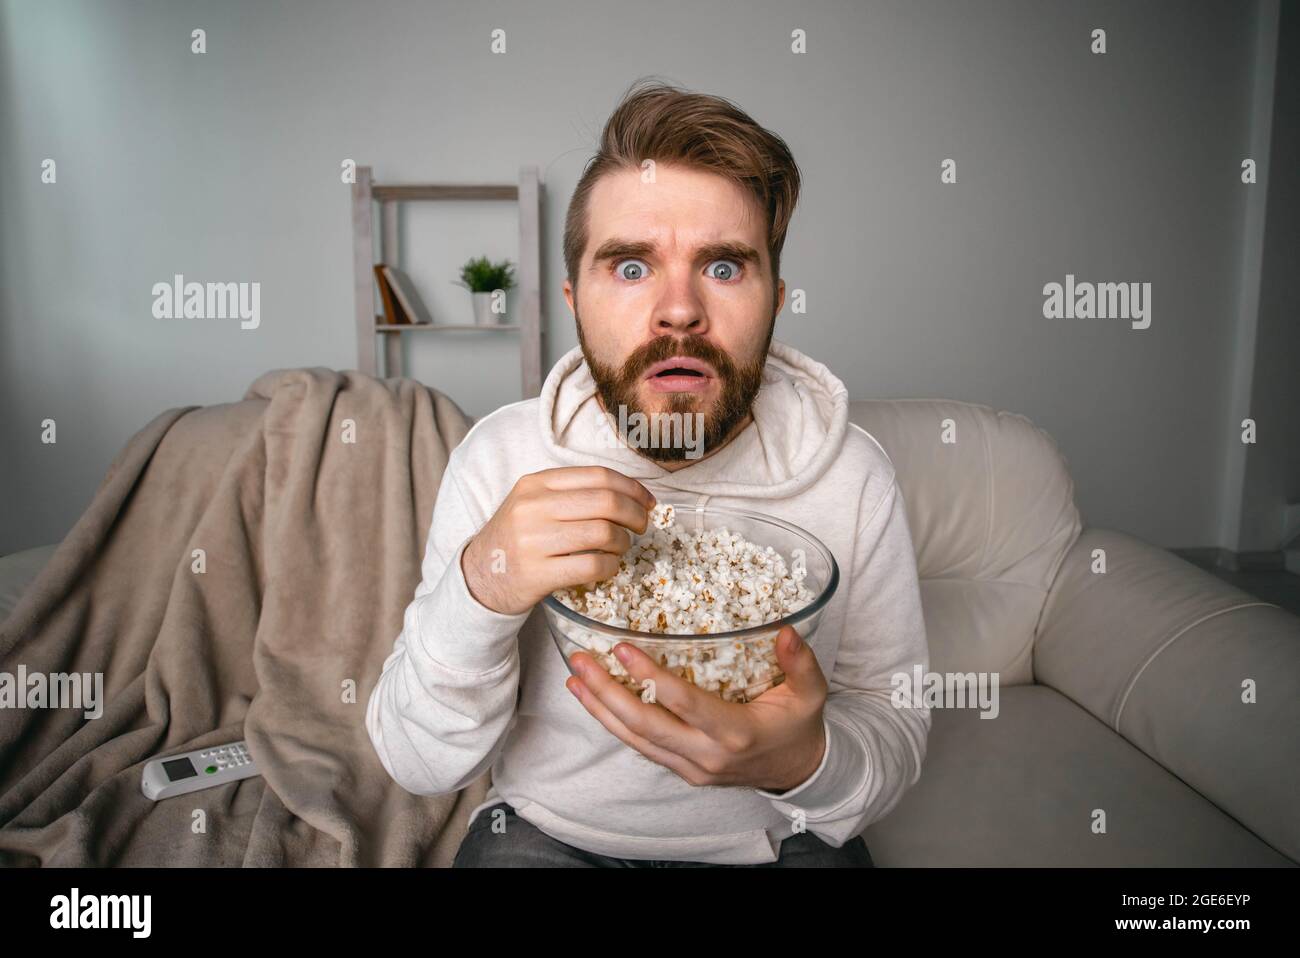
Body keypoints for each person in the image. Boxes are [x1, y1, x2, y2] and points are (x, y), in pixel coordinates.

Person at [366, 78, 930, 867]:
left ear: (776, 298)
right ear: (574, 301)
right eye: (630, 268)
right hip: (546, 836)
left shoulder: (854, 476)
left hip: (782, 841)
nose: (678, 310)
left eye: (725, 268)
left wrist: (800, 762)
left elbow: (894, 725)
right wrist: (482, 585)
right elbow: (419, 764)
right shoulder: (500, 460)